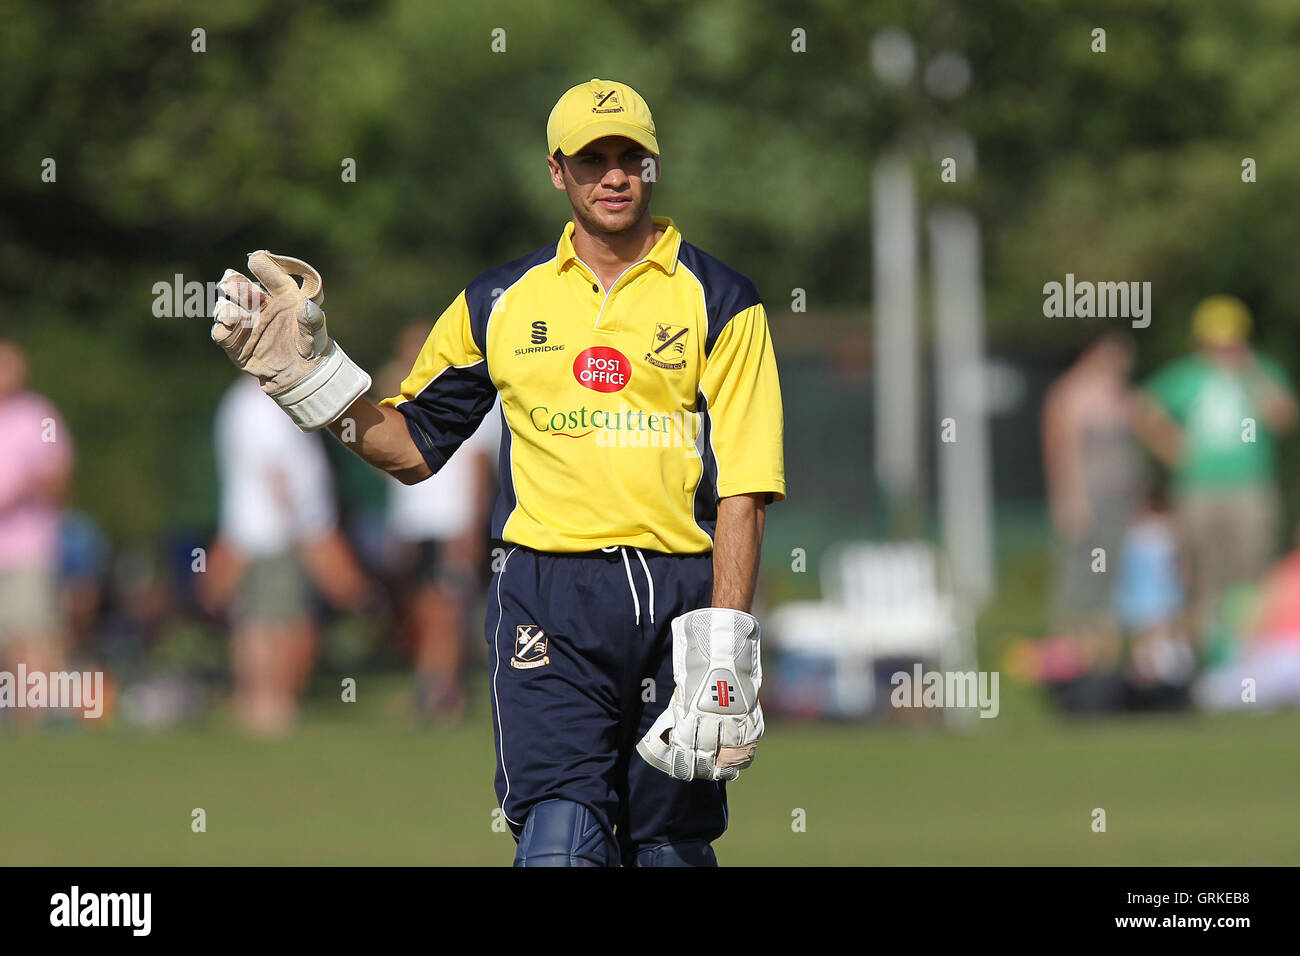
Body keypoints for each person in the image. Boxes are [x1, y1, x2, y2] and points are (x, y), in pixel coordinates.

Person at [209, 78, 785, 865]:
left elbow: (744, 492)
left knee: (670, 848)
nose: (613, 176)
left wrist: (726, 641)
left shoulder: (723, 300)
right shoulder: (498, 303)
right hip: (546, 600)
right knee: (560, 842)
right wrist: (313, 384)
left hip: (679, 599)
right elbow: (411, 448)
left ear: (653, 166)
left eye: (630, 158)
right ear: (557, 171)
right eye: (592, 160)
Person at [201, 375, 372, 736]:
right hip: (276, 532)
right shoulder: (260, 405)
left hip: (261, 531)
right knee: (275, 622)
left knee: (262, 618)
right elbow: (277, 472)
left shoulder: (242, 403)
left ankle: (261, 702)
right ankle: (268, 703)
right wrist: (304, 529)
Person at [1134, 296, 1298, 647]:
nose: (1223, 351)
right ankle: (1209, 654)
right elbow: (1143, 407)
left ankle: (1250, 652)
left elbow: (1284, 418)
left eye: (1230, 343)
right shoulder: (1186, 376)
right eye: (1216, 344)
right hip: (1198, 490)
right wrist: (1172, 447)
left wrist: (1252, 374)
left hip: (1250, 488)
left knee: (1253, 570)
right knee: (1203, 572)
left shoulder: (1262, 372)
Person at [377, 322, 499, 723]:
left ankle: (445, 693)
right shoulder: (402, 398)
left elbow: (481, 466)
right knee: (423, 610)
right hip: (417, 525)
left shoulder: (466, 391)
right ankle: (430, 686)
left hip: (452, 522)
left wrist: (471, 525)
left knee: (448, 610)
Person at [1041, 335, 1143, 665]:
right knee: (1080, 572)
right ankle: (1069, 651)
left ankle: (1102, 653)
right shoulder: (1070, 394)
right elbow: (1059, 452)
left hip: (1119, 498)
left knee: (1110, 573)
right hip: (1088, 498)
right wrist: (1070, 500)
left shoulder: (1119, 394)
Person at [0, 340, 75, 726]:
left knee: (31, 631)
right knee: (10, 635)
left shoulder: (37, 416)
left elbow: (59, 474)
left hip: (28, 547)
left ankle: (37, 720)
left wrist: (25, 487)